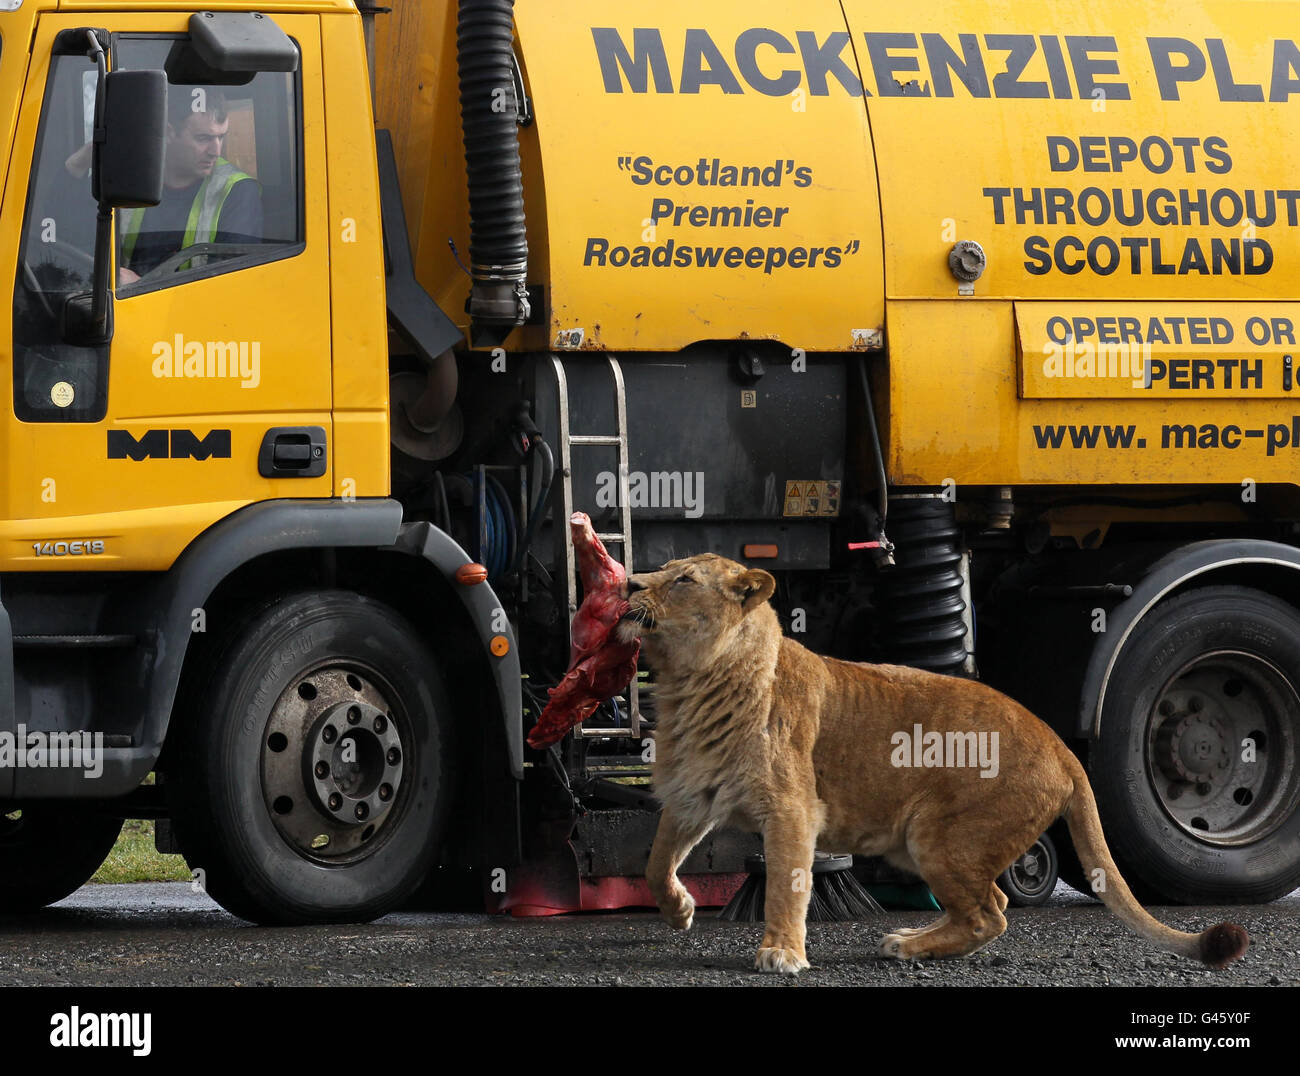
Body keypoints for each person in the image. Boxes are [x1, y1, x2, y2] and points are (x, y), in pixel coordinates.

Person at [70, 86, 263, 283]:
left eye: (221, 137)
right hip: (122, 309)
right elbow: (67, 229)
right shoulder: (132, 176)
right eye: (203, 138)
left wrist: (139, 286)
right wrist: (82, 160)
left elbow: (233, 283)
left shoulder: (236, 190)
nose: (216, 150)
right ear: (169, 132)